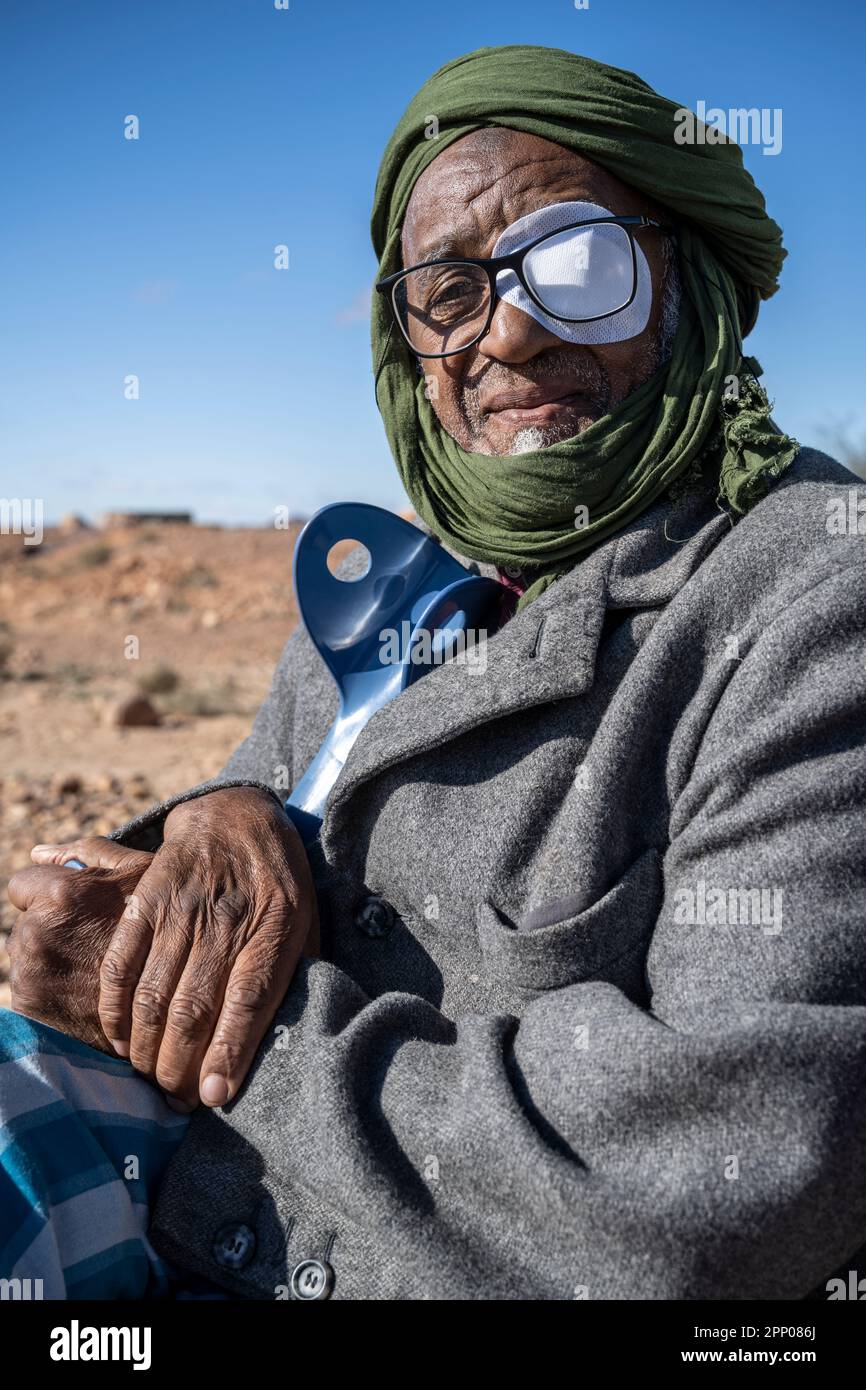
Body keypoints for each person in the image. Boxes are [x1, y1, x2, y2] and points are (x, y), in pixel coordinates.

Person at [4, 45, 866, 1300]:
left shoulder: (810, 596)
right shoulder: (395, 584)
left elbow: (729, 1169)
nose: (510, 330)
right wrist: (221, 815)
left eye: (577, 263)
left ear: (685, 276)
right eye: (449, 292)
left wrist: (254, 1044)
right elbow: (267, 813)